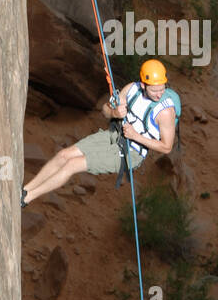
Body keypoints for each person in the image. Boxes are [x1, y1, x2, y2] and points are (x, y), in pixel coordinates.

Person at [21, 60, 179, 206]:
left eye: (162, 88)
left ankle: (27, 198)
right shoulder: (132, 89)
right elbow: (105, 110)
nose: (159, 94)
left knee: (72, 164)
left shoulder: (165, 112)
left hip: (132, 152)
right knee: (64, 155)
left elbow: (166, 147)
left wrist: (135, 136)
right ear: (143, 85)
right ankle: (26, 189)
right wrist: (114, 113)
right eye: (154, 90)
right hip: (115, 136)